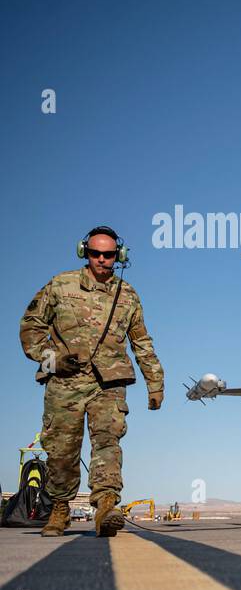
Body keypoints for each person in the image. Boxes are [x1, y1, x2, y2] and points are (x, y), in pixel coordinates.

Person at [18, 225, 164, 537]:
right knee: (60, 449)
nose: (102, 259)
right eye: (96, 253)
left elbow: (142, 343)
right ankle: (59, 508)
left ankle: (105, 507)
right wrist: (53, 360)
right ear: (84, 252)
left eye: (109, 254)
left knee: (108, 444)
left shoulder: (128, 295)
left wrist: (156, 383)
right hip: (64, 382)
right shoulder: (60, 285)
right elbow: (30, 328)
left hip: (109, 383)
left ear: (118, 256)